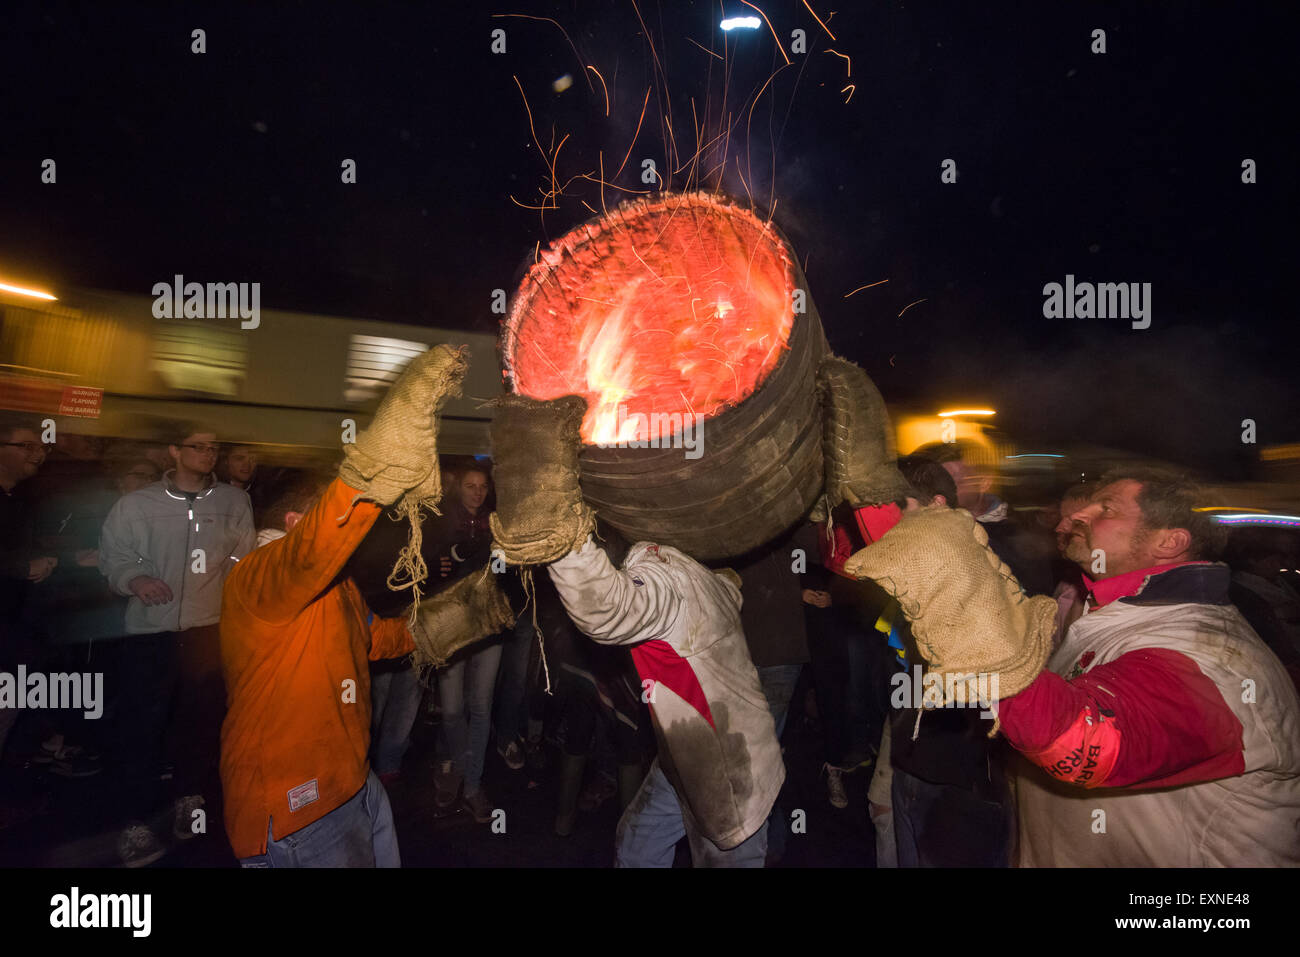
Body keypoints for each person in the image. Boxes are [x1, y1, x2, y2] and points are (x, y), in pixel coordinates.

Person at [850, 465, 1300, 866]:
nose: (1075, 516)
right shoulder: (1109, 611)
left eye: (1106, 509)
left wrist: (955, 585)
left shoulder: (1212, 654)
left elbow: (1086, 745)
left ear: (1170, 542)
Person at [220, 344, 464, 867]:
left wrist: (446, 622)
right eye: (314, 515)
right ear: (292, 524)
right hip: (297, 806)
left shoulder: (337, 588)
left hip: (352, 777)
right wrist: (375, 471)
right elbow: (313, 548)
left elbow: (375, 637)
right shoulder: (257, 578)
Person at [97, 422, 255, 865]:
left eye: (213, 448)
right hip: (150, 635)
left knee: (199, 724)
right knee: (140, 730)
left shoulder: (233, 502)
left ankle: (190, 802)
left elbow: (244, 561)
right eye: (197, 447)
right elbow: (113, 557)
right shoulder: (137, 505)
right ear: (174, 451)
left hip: (208, 632)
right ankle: (134, 823)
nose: (208, 454)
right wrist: (136, 578)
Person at [431, 464, 502, 823]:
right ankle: (459, 769)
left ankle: (472, 786)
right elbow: (430, 567)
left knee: (480, 706)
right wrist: (444, 561)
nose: (477, 492)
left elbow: (507, 572)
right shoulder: (440, 521)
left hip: (489, 623)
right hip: (451, 625)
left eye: (482, 486)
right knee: (453, 708)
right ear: (459, 488)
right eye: (470, 486)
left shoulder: (500, 524)